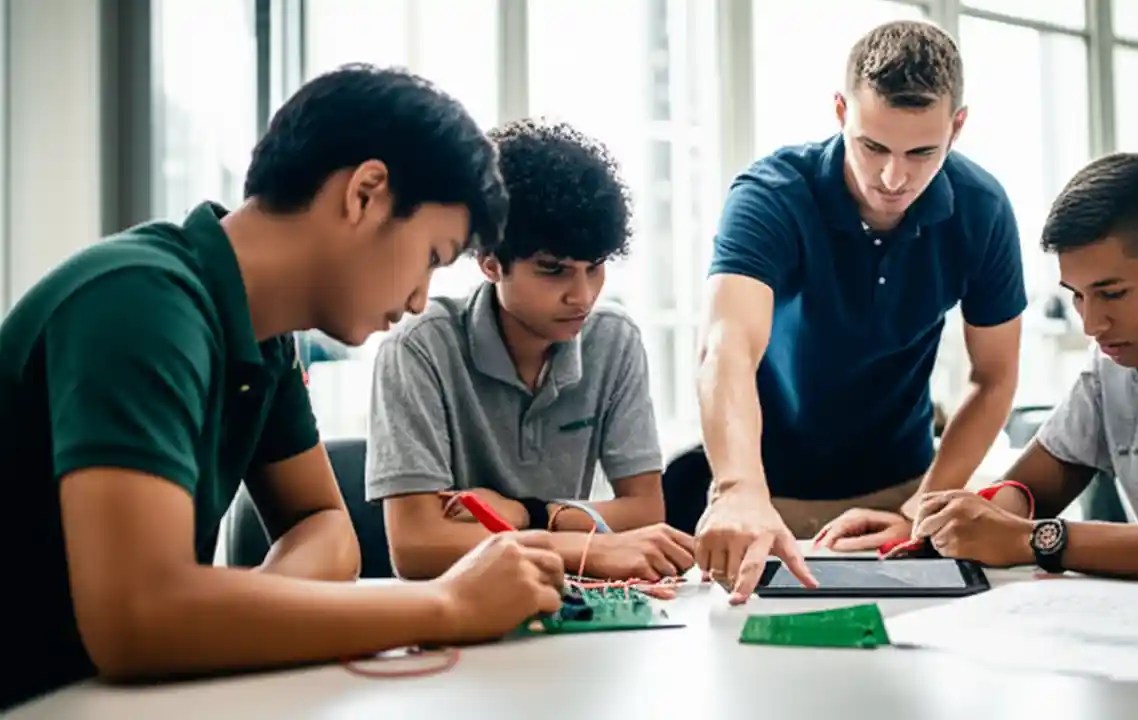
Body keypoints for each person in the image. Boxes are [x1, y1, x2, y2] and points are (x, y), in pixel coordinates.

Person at [0, 65, 566, 710]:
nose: (417, 301)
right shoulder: (139, 300)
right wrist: (446, 604)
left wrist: (246, 615)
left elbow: (325, 525)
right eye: (431, 258)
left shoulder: (265, 338)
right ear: (365, 194)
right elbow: (139, 616)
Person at [687, 19, 1026, 604]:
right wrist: (739, 486)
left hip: (903, 487)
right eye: (873, 147)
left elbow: (994, 379)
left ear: (958, 126)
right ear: (841, 110)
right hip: (771, 493)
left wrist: (923, 508)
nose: (894, 178)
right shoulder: (771, 196)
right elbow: (727, 345)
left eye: (923, 152)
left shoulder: (983, 209)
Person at [904, 152, 1138, 588]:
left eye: (1113, 293)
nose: (1091, 325)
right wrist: (946, 526)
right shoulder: (1115, 361)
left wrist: (1043, 540)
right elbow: (1027, 495)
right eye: (1078, 296)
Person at [367, 119, 696, 583]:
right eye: (553, 270)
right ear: (489, 262)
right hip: (455, 614)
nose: (582, 296)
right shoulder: (419, 349)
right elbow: (418, 548)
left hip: (567, 605)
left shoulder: (613, 339)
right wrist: (585, 546)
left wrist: (528, 514)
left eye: (595, 268)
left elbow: (643, 514)